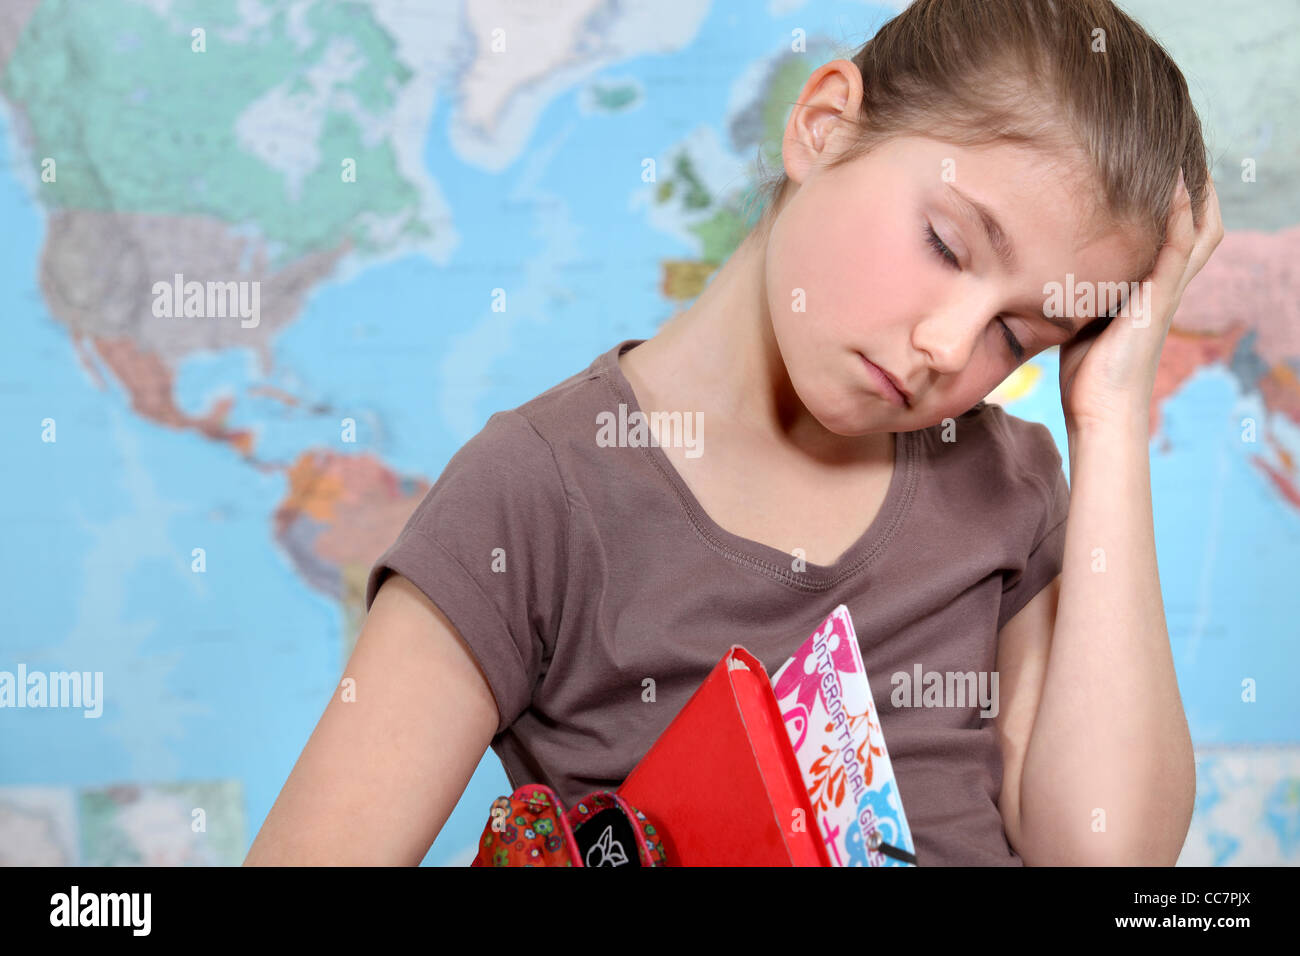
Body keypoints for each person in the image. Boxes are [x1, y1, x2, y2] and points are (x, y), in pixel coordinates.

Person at [245, 0, 1223, 867]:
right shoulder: (534, 494)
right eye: (946, 245)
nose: (945, 346)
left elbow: (1110, 856)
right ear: (825, 126)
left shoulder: (1008, 483)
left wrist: (1111, 417)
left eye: (1018, 332)